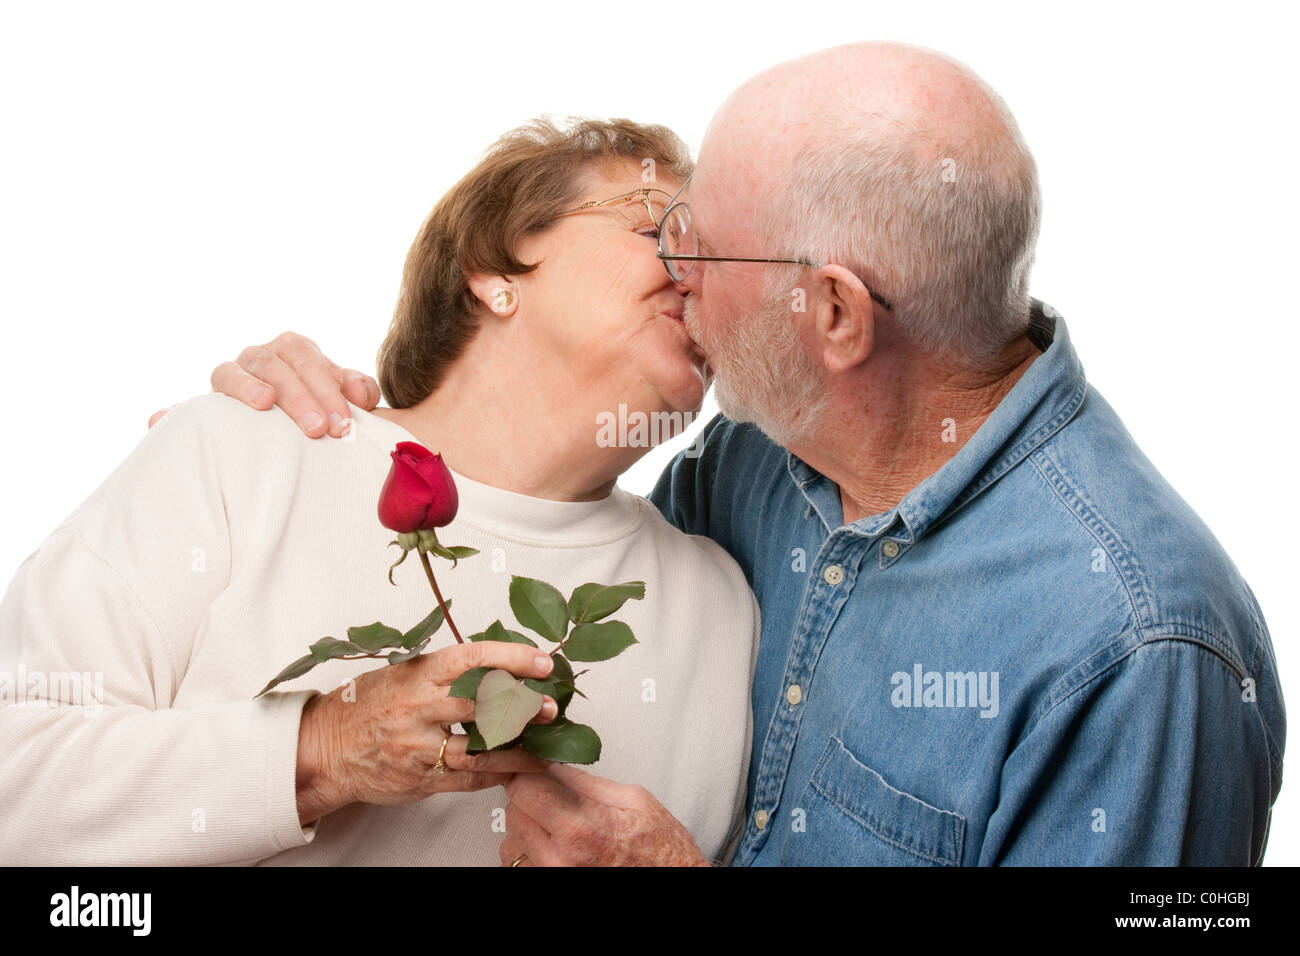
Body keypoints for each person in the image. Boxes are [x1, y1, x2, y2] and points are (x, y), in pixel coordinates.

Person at [212, 42, 1285, 866]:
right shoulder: (756, 466)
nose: (676, 272)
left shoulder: (1144, 649)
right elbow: (541, 517)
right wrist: (333, 423)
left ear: (832, 315)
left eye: (698, 243)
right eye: (658, 229)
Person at [0, 117, 759, 866]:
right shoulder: (238, 453)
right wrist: (324, 749)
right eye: (659, 228)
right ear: (496, 266)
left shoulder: (724, 608)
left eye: (716, 259)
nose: (698, 275)